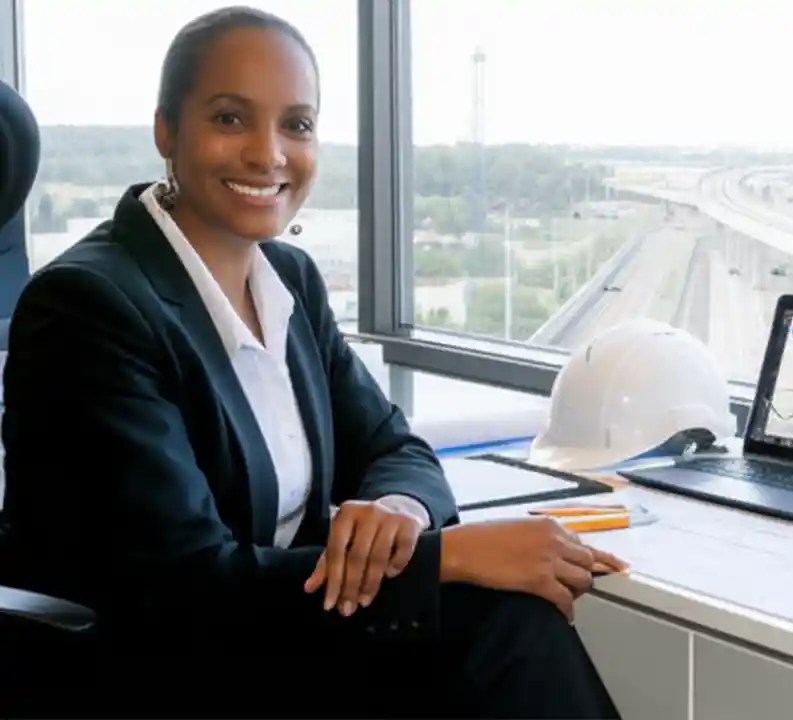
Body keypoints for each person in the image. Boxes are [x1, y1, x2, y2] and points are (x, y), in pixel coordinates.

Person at [0, 6, 624, 718]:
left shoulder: (289, 281)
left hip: (270, 645)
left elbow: (395, 445)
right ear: (167, 131)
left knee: (509, 624)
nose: (269, 154)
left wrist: (398, 511)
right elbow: (182, 589)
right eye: (231, 118)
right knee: (497, 621)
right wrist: (451, 556)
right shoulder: (91, 306)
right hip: (162, 670)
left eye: (296, 124)